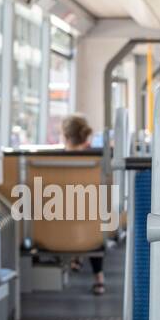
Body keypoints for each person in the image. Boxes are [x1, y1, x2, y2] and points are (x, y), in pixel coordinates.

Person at [61, 113, 106, 296]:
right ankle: (99, 278)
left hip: (56, 219)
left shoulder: (49, 161)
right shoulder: (95, 162)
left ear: (65, 136)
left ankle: (75, 257)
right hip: (90, 222)